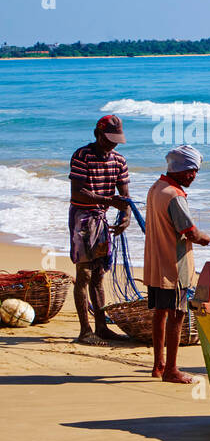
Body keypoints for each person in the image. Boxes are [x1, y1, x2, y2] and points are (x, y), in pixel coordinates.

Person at [144, 146, 210, 383]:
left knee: (160, 313)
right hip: (174, 266)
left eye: (195, 171)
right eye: (191, 171)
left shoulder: (156, 188)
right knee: (177, 315)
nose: (193, 176)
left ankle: (158, 365)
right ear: (180, 169)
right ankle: (172, 370)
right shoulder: (175, 196)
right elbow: (190, 232)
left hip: (154, 264)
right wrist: (206, 238)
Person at [68, 114, 134, 345]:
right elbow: (77, 192)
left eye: (115, 140)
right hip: (83, 218)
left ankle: (101, 327)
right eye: (108, 139)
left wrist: (125, 216)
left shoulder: (119, 161)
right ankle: (85, 331)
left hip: (102, 220)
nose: (112, 144)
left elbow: (124, 196)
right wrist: (108, 200)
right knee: (84, 273)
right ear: (97, 134)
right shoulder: (82, 155)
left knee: (99, 275)